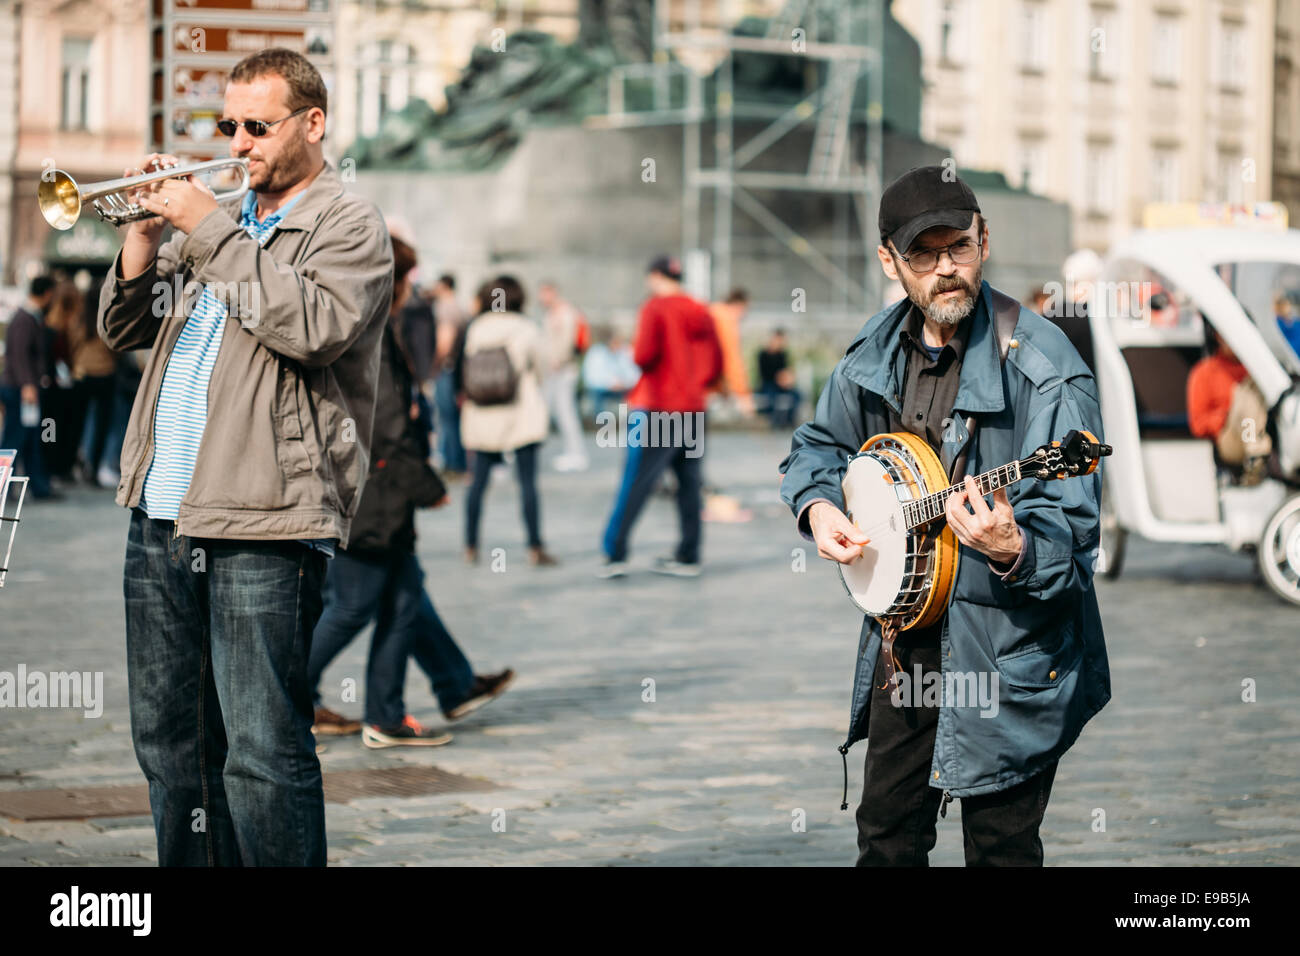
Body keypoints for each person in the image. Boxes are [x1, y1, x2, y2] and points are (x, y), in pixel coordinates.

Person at [97, 47, 393, 866]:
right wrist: (143, 240)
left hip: (265, 514)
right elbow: (120, 334)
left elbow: (313, 327)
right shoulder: (220, 227)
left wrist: (207, 229)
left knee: (262, 754)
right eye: (226, 125)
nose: (236, 143)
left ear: (312, 123)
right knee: (170, 748)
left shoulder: (346, 222)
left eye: (256, 127)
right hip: (163, 511)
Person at [779, 165, 1110, 866]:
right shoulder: (875, 349)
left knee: (1000, 849)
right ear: (889, 261)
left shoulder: (1047, 367)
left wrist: (1012, 544)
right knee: (887, 838)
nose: (944, 270)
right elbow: (820, 446)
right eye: (922, 255)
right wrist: (816, 506)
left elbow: (1074, 540)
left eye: (957, 247)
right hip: (908, 642)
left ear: (983, 240)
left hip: (1009, 649)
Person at [308, 237, 515, 747]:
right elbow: (389, 428)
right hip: (371, 494)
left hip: (370, 490)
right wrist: (427, 486)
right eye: (407, 279)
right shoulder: (370, 335)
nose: (411, 290)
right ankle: (280, 694)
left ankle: (393, 712)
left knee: (401, 600)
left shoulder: (361, 325)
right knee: (354, 605)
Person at [598, 255, 722, 579]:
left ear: (654, 276)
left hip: (660, 407)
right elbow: (715, 363)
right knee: (689, 483)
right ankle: (689, 554)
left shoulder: (654, 308)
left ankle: (615, 552)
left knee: (638, 480)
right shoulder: (700, 309)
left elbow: (643, 355)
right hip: (693, 409)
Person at [457, 275, 558, 567]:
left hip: (483, 413)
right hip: (520, 412)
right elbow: (541, 369)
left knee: (478, 483)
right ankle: (535, 546)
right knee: (527, 483)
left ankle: (471, 544)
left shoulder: (477, 327)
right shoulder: (526, 328)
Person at [1187, 327, 1272, 484]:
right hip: (1230, 439)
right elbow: (1198, 424)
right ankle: (1255, 452)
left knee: (1253, 391)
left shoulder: (1257, 368)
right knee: (1246, 395)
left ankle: (1258, 452)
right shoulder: (1205, 372)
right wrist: (1228, 414)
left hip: (1262, 429)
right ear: (1217, 337)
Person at [0, 276, 58, 500]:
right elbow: (19, 355)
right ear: (46, 293)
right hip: (20, 389)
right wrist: (28, 385)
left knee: (32, 438)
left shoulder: (29, 317)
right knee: (15, 438)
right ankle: (5, 486)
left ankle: (38, 486)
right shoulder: (25, 319)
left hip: (23, 388)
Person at [66, 279, 119, 487]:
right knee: (102, 425)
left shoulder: (79, 319)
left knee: (76, 423)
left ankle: (74, 463)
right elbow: (116, 346)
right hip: (106, 373)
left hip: (82, 374)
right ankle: (94, 469)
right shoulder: (107, 318)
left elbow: (72, 343)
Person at [537, 281, 589, 472]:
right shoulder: (552, 313)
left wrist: (557, 362)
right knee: (551, 411)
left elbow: (567, 341)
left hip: (562, 371)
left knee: (565, 412)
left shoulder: (565, 313)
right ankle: (571, 451)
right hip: (553, 371)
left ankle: (577, 453)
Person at [432, 274, 469, 475]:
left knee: (447, 417)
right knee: (453, 417)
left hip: (445, 368)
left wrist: (433, 364)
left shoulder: (446, 308)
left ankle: (453, 463)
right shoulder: (461, 307)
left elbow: (445, 342)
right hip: (457, 368)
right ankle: (456, 461)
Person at [708, 288, 755, 417]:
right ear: (739, 305)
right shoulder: (726, 319)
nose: (745, 315)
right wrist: (743, 394)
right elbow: (731, 357)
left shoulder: (713, 312)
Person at [581, 325, 639, 420]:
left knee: (633, 395)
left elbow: (634, 374)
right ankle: (601, 423)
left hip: (622, 388)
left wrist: (623, 383)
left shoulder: (626, 352)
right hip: (601, 389)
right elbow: (592, 377)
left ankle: (629, 421)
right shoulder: (596, 353)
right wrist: (610, 383)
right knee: (596, 394)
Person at [756, 328, 800, 428]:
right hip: (768, 384)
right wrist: (780, 378)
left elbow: (785, 370)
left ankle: (789, 420)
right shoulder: (763, 354)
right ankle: (775, 421)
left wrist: (787, 379)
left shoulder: (782, 354)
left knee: (796, 395)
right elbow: (764, 373)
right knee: (772, 397)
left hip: (781, 385)